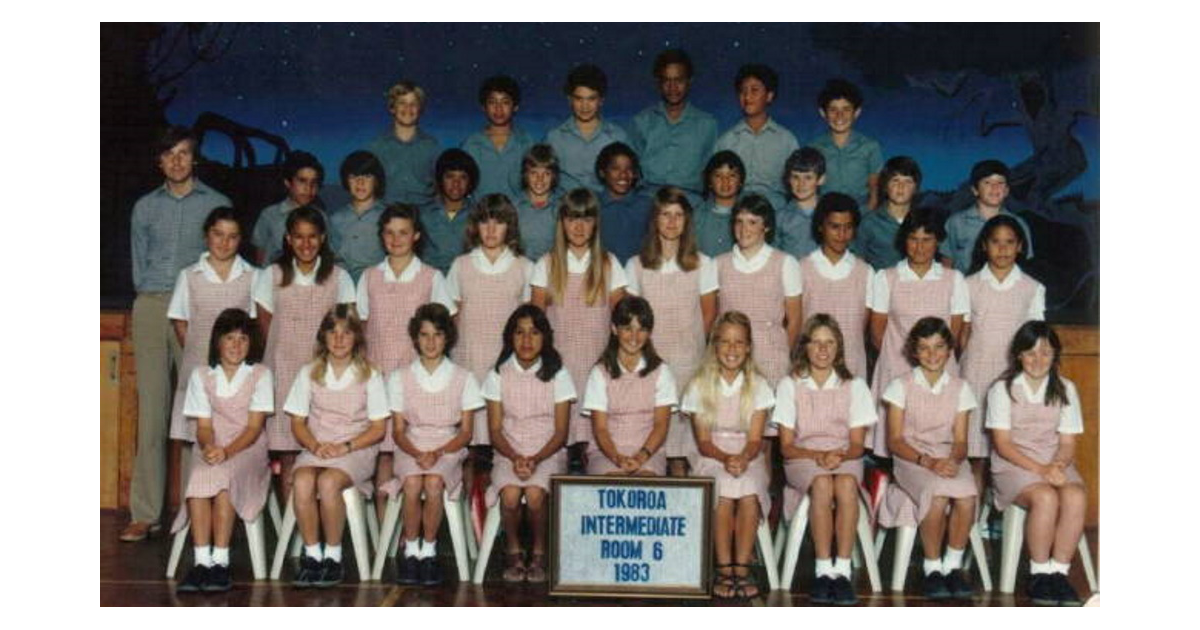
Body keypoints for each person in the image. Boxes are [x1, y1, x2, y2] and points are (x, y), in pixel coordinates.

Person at [125, 125, 233, 542]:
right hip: (152, 304)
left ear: (195, 158)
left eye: (184, 153)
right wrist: (150, 296)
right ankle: (145, 512)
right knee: (152, 412)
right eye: (169, 154)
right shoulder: (144, 208)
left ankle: (194, 511)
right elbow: (139, 262)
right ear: (159, 160)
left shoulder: (217, 204)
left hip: (196, 307)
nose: (176, 161)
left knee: (195, 413)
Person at [356, 203, 455, 521]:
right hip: (378, 376)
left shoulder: (431, 277)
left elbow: (442, 331)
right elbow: (360, 328)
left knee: (410, 453)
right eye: (388, 232)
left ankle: (418, 535)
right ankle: (389, 534)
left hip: (417, 381)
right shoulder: (370, 277)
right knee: (383, 453)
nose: (396, 239)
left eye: (403, 232)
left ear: (416, 236)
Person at [253, 206, 357, 502]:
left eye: (312, 237)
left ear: (322, 238)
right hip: (283, 372)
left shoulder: (339, 277)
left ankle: (320, 527)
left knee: (324, 453)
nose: (306, 244)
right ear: (288, 239)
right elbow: (264, 325)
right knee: (288, 452)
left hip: (325, 375)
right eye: (298, 237)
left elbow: (348, 327)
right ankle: (292, 529)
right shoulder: (272, 275)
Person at [772, 314, 876, 605]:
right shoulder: (790, 385)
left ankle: (841, 571)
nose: (822, 349)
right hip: (803, 459)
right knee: (821, 484)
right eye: (816, 342)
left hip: (844, 456)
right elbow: (787, 447)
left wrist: (836, 456)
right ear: (804, 346)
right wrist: (818, 456)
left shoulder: (854, 386)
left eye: (829, 343)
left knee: (844, 484)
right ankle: (822, 570)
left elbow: (857, 445)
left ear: (839, 348)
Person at [380, 303, 484, 586]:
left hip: (448, 446)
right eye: (424, 335)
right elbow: (399, 432)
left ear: (447, 337)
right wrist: (417, 454)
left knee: (435, 482)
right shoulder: (400, 377)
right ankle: (411, 550)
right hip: (411, 445)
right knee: (413, 483)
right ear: (415, 338)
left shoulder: (464, 378)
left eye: (437, 335)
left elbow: (465, 433)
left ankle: (430, 550)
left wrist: (437, 453)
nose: (430, 342)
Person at [170, 308, 273, 594]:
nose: (236, 345)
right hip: (215, 446)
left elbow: (253, 428)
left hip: (248, 448)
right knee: (201, 477)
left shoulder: (260, 375)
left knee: (225, 479)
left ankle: (221, 561)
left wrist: (226, 452)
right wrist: (210, 447)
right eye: (230, 338)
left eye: (243, 339)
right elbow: (203, 427)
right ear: (218, 342)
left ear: (251, 343)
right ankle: (202, 561)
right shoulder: (202, 375)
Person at [285, 304, 388, 588]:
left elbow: (379, 428)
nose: (339, 339)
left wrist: (345, 446)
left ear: (356, 338)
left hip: (355, 449)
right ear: (323, 336)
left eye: (346, 333)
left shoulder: (370, 374)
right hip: (317, 446)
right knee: (303, 479)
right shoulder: (309, 372)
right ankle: (312, 554)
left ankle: (333, 555)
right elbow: (297, 423)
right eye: (332, 332)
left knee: (329, 482)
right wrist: (315, 446)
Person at [986, 321, 1086, 606]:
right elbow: (1003, 444)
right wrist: (1042, 471)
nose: (1038, 360)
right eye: (1030, 353)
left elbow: (1067, 443)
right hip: (1013, 464)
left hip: (1054, 460)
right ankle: (1039, 573)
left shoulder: (1066, 388)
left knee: (1076, 496)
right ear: (1018, 355)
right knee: (1045, 497)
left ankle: (1059, 573)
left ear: (1055, 355)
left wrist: (1057, 465)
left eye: (1045, 353)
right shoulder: (1002, 389)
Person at [879, 317, 978, 601]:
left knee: (966, 496)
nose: (932, 355)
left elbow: (961, 441)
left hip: (948, 457)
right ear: (914, 352)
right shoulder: (901, 386)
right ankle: (932, 567)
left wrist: (953, 461)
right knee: (935, 495)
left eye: (939, 347)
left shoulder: (961, 388)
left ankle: (952, 565)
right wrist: (927, 462)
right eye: (924, 348)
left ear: (949, 350)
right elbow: (895, 441)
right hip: (912, 460)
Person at [624, 187, 719, 475]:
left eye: (679, 215)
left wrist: (692, 353)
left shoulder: (704, 264)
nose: (672, 222)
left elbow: (708, 315)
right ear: (655, 219)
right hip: (649, 364)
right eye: (665, 214)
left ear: (687, 221)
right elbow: (631, 320)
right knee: (650, 443)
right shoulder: (636, 265)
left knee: (682, 451)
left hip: (688, 364)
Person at [681, 311, 774, 599]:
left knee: (747, 489)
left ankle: (742, 568)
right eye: (725, 342)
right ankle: (723, 568)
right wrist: (726, 459)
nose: (732, 349)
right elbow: (704, 441)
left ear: (748, 348)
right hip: (711, 454)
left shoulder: (758, 384)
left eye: (739, 343)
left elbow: (757, 439)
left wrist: (743, 458)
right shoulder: (699, 384)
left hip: (748, 453)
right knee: (721, 487)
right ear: (714, 346)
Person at [481, 304, 576, 583]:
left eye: (534, 333)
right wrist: (515, 457)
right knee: (510, 494)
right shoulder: (498, 374)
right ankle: (512, 550)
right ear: (510, 337)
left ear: (544, 337)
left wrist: (534, 459)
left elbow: (561, 432)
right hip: (508, 451)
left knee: (535, 495)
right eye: (519, 333)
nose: (526, 340)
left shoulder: (558, 373)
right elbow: (496, 430)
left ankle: (538, 552)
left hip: (547, 451)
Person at [166, 208, 260, 485]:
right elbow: (181, 322)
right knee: (196, 444)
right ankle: (193, 513)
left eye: (232, 237)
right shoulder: (189, 275)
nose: (224, 243)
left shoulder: (252, 276)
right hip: (198, 369)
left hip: (237, 378)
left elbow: (254, 327)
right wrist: (201, 358)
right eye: (218, 234)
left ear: (241, 240)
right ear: (207, 235)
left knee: (233, 442)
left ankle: (232, 515)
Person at [530, 188, 628, 455]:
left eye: (586, 219)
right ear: (562, 222)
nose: (579, 226)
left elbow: (623, 322)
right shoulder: (546, 265)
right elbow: (536, 322)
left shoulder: (609, 264)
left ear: (595, 223)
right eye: (572, 218)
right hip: (558, 366)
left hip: (597, 365)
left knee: (594, 443)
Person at [868, 208, 969, 456]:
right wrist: (902, 362)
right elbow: (877, 333)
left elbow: (953, 335)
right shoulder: (886, 278)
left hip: (939, 371)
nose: (920, 247)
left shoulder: (954, 279)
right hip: (896, 369)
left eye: (927, 240)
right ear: (904, 241)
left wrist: (931, 364)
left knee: (938, 444)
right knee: (896, 444)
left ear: (937, 242)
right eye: (913, 239)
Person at [960, 215, 1045, 489]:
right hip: (975, 374)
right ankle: (971, 521)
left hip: (1013, 378)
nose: (1003, 249)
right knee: (977, 454)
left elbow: (1036, 339)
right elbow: (962, 335)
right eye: (996, 242)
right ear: (984, 245)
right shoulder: (968, 285)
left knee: (1008, 450)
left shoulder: (1032, 288)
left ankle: (998, 513)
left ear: (1020, 246)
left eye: (1010, 242)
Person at [446, 194, 534, 432]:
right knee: (470, 433)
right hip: (469, 358)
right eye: (485, 222)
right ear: (475, 227)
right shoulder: (461, 265)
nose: (491, 230)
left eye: (499, 222)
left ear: (510, 227)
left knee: (505, 426)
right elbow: (452, 317)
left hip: (506, 360)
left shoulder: (524, 267)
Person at [582, 296, 676, 476]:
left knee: (645, 484)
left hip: (649, 452)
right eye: (627, 329)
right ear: (614, 329)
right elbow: (600, 429)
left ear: (649, 333)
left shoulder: (662, 372)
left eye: (641, 330)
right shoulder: (599, 373)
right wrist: (618, 458)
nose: (634, 337)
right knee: (614, 483)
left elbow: (660, 425)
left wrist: (641, 457)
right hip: (606, 453)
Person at [715, 193, 802, 386]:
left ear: (766, 226)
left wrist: (781, 354)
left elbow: (795, 319)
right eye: (739, 221)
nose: (744, 229)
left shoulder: (785, 263)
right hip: (730, 359)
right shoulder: (718, 264)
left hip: (772, 361)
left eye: (752, 222)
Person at [799, 192, 875, 379]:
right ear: (820, 227)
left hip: (852, 365)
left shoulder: (865, 272)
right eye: (834, 227)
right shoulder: (802, 268)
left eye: (848, 227)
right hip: (810, 367)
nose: (841, 235)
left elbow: (863, 327)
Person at [629, 49, 718, 197]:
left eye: (679, 80)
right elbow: (632, 169)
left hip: (691, 201)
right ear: (658, 83)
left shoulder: (707, 124)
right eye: (666, 81)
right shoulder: (641, 122)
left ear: (689, 81)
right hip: (649, 199)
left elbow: (710, 173)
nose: (672, 87)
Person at [713, 63, 799, 211]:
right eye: (742, 91)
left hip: (776, 212)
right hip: (737, 213)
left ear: (769, 96)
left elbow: (798, 186)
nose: (747, 96)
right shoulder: (726, 140)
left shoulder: (786, 140)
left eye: (754, 90)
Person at [544, 64, 630, 193]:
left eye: (591, 99)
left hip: (605, 209)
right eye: (579, 99)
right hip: (565, 209)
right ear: (569, 99)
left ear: (601, 100)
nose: (585, 106)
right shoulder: (554, 138)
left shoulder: (618, 137)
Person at [941, 160, 1035, 274]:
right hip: (965, 288)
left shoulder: (1019, 224)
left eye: (1000, 183)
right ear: (975, 190)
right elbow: (947, 263)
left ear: (1006, 191)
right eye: (987, 182)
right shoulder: (956, 222)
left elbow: (1025, 265)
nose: (995, 188)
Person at [805, 78, 883, 210]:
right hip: (826, 214)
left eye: (846, 109)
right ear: (823, 113)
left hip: (861, 213)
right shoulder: (814, 148)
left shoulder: (870, 147)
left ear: (856, 112)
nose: (839, 116)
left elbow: (874, 187)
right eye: (833, 110)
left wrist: (868, 213)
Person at [365, 80, 440, 205]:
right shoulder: (376, 147)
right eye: (402, 103)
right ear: (392, 108)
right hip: (388, 216)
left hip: (423, 216)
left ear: (420, 109)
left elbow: (439, 188)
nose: (408, 109)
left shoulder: (432, 146)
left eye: (413, 104)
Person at [461, 75, 534, 199]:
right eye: (492, 102)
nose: (498, 108)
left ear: (515, 106)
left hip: (518, 216)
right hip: (481, 216)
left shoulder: (526, 143)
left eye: (505, 102)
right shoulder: (470, 145)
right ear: (483, 107)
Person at [252, 150, 324, 265]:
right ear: (287, 182)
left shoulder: (322, 216)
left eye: (314, 183)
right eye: (302, 181)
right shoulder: (269, 215)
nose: (308, 188)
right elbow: (260, 257)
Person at [853, 156, 921, 271]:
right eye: (895, 180)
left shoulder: (924, 222)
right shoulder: (868, 223)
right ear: (885, 186)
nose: (901, 187)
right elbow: (858, 263)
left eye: (908, 181)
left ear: (916, 188)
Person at [328, 151, 387, 282]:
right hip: (343, 286)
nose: (360, 182)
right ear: (345, 180)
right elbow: (332, 258)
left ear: (377, 180)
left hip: (379, 286)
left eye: (367, 176)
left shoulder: (388, 216)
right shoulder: (335, 219)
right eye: (354, 176)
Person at [421, 148, 480, 273]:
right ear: (440, 179)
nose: (456, 183)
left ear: (470, 182)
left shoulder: (479, 216)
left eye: (463, 177)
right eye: (450, 176)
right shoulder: (423, 214)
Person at [595, 142, 652, 262]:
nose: (623, 175)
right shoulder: (593, 205)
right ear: (602, 172)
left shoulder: (647, 205)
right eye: (615, 168)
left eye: (629, 169)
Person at [775, 147, 827, 260]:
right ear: (788, 179)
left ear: (821, 179)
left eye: (808, 178)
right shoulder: (780, 218)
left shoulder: (831, 214)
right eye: (795, 177)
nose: (801, 184)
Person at [514, 144, 563, 262]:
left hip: (552, 272)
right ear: (525, 175)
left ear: (554, 176)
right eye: (534, 173)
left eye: (546, 174)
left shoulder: (562, 208)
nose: (539, 179)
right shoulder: (514, 207)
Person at [694, 150, 746, 257]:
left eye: (732, 176)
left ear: (741, 181)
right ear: (709, 182)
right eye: (718, 176)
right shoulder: (697, 215)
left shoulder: (750, 215)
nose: (725, 181)